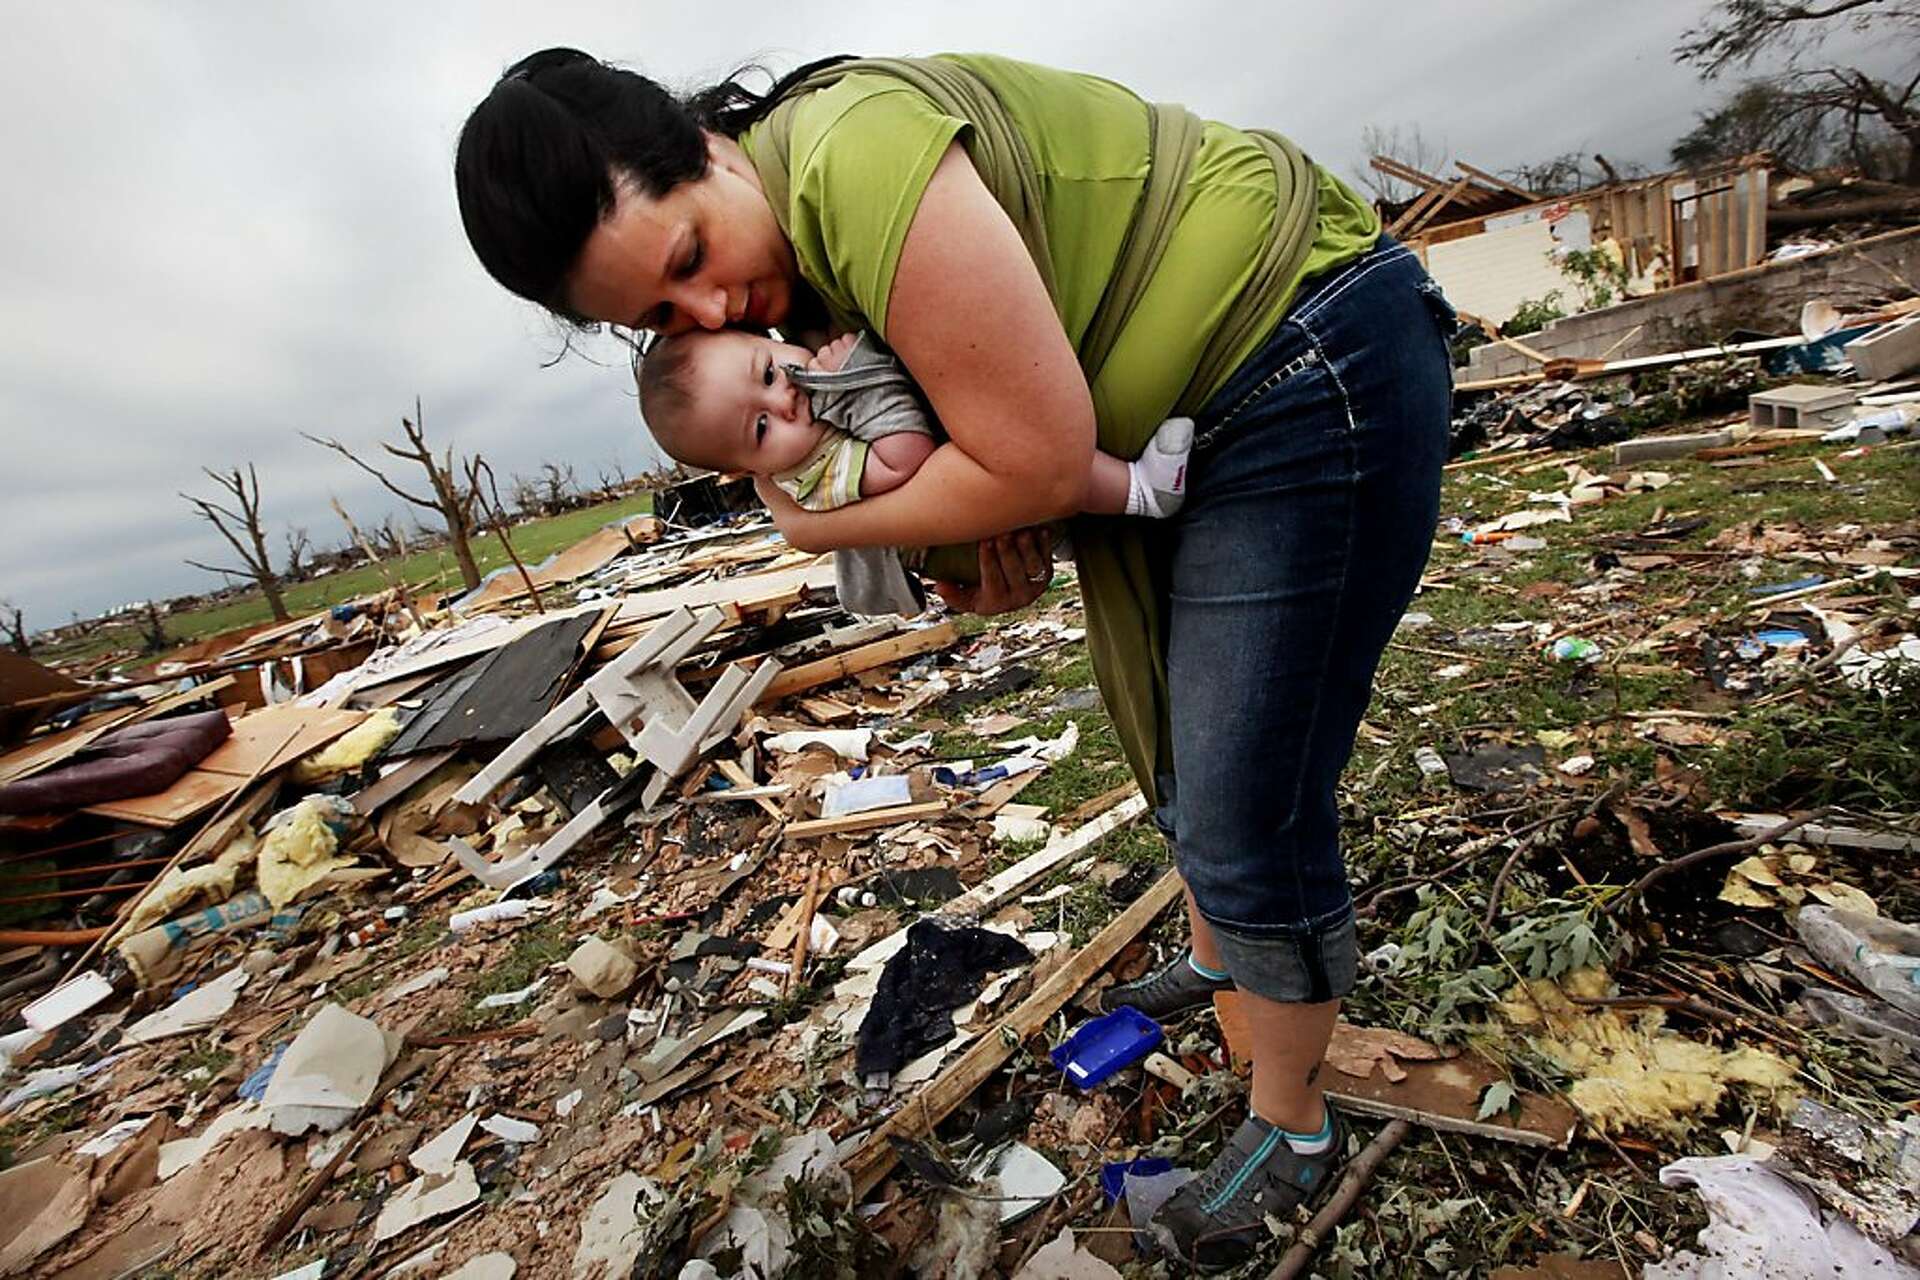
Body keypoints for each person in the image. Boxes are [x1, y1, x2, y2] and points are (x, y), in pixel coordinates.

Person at [456, 48, 1453, 1270]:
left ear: (710, 154)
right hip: (1194, 423)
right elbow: (982, 478)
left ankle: (1290, 1128)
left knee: (1249, 786)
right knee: (1175, 733)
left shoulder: (851, 153)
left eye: (688, 261)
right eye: (662, 317)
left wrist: (815, 525)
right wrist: (971, 538)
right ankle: (1217, 954)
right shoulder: (800, 306)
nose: (712, 316)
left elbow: (1033, 458)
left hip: (1297, 352)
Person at [636, 325, 1195, 614]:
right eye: (760, 430)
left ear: (767, 339)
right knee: (1031, 456)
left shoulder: (806, 412)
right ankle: (1140, 490)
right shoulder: (818, 472)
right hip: (995, 508)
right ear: (748, 470)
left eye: (766, 372)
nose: (783, 402)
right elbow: (905, 459)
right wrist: (858, 385)